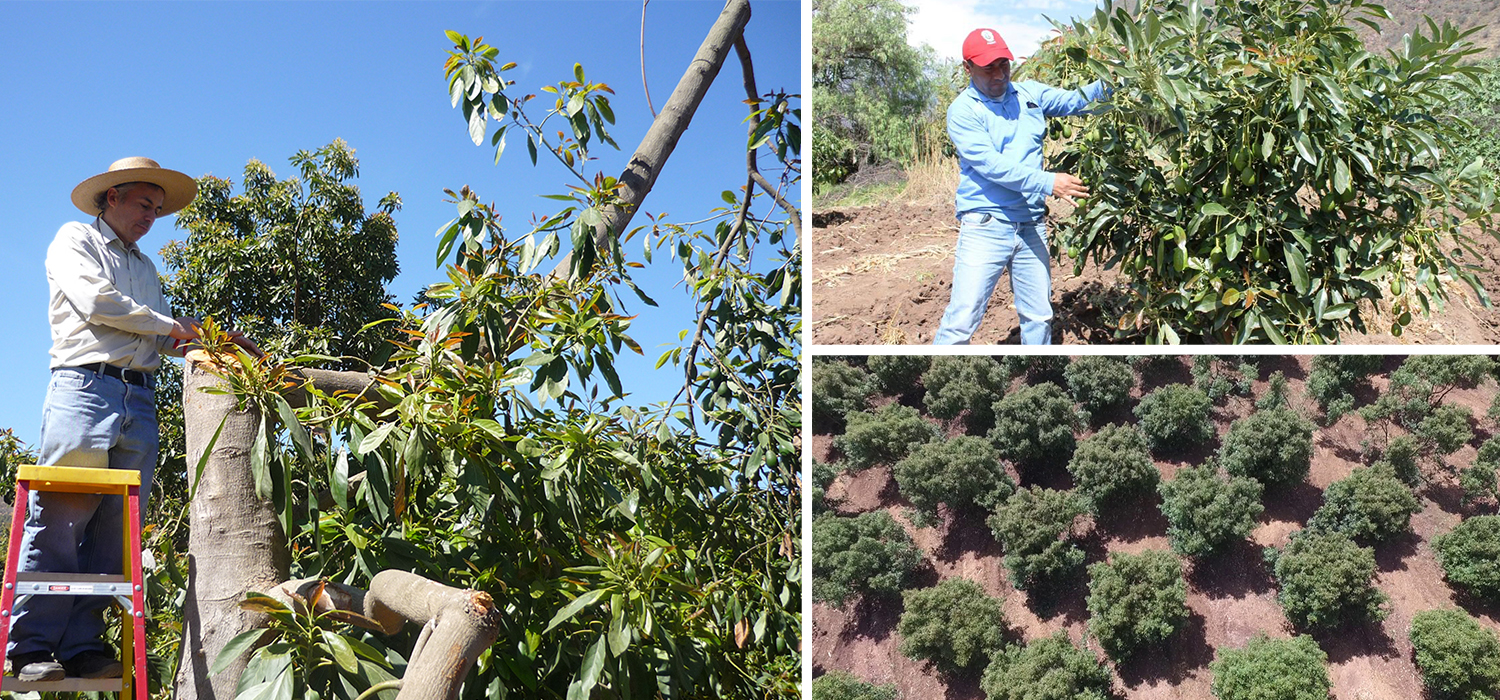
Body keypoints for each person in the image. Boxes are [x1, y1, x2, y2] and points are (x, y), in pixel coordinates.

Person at [6, 157, 253, 681]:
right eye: (144, 204)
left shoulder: (145, 268)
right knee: (61, 514)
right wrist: (176, 327)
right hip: (84, 387)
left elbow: (160, 338)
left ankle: (82, 646)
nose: (151, 217)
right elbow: (98, 302)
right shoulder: (75, 239)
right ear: (112, 196)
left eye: (158, 210)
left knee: (117, 528)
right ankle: (29, 648)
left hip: (138, 397)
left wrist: (214, 340)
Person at [933, 28, 1110, 345]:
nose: (999, 74)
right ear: (968, 68)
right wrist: (1048, 182)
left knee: (1039, 316)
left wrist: (1116, 76)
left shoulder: (1029, 94)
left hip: (1030, 223)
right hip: (987, 224)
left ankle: (1037, 370)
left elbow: (1076, 101)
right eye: (989, 67)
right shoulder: (963, 111)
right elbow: (991, 165)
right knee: (962, 320)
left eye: (1004, 64)